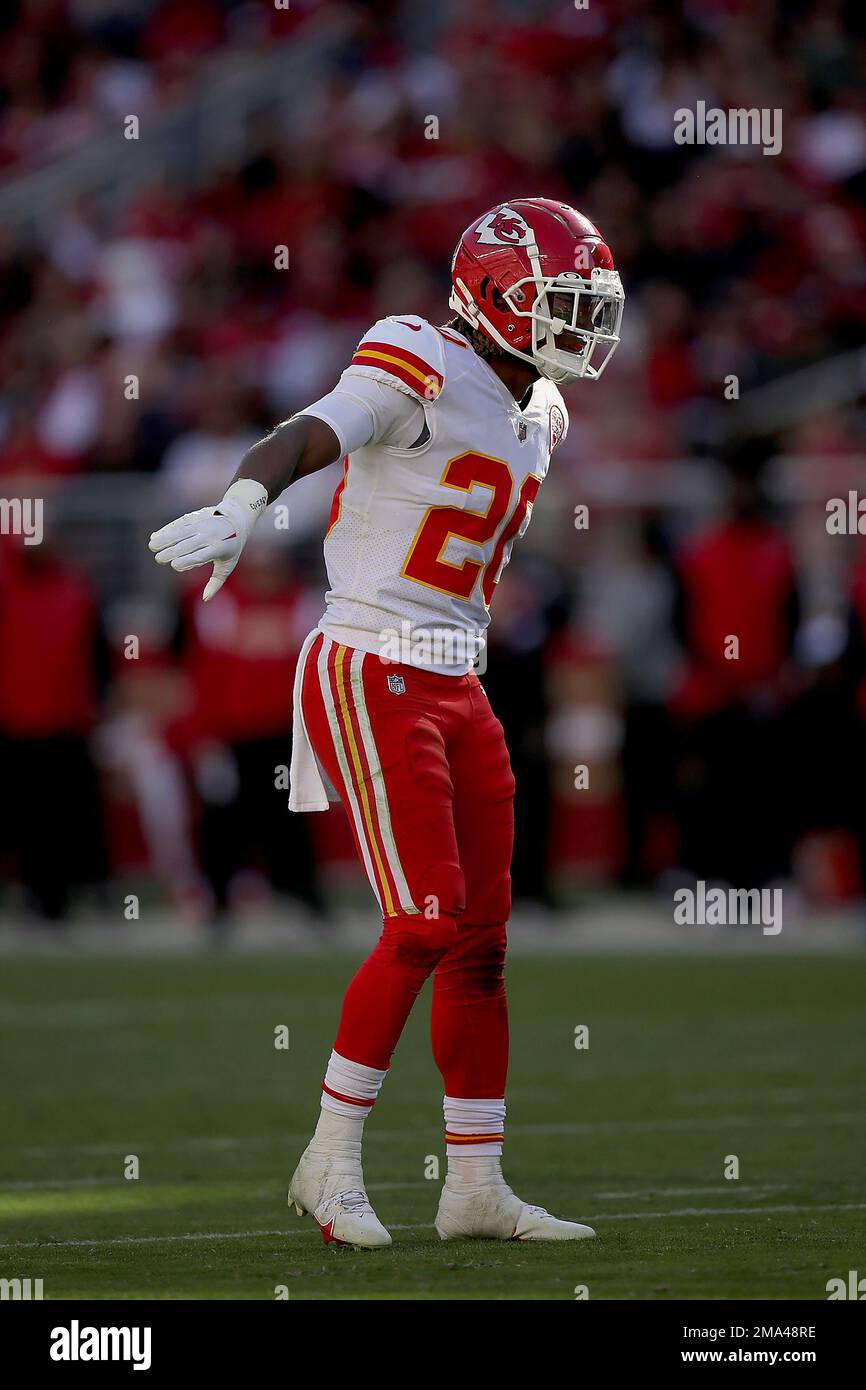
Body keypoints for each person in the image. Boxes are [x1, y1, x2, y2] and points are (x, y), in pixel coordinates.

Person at [149, 198, 624, 1247]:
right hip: (371, 660)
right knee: (421, 922)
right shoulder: (420, 353)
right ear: (494, 294)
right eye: (563, 301)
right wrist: (242, 501)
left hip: (460, 676)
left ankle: (474, 1186)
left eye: (590, 304)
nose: (582, 324)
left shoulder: (542, 410)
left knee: (482, 942)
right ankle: (329, 1162)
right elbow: (312, 431)